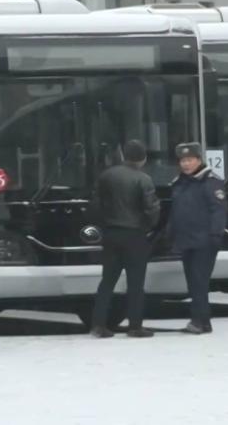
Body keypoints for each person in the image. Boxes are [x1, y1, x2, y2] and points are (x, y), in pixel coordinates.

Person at [89, 139, 161, 338]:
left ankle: (98, 324)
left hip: (111, 234)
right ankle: (135, 325)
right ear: (143, 159)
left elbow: (95, 205)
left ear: (123, 155)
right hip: (135, 235)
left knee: (107, 281)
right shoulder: (143, 179)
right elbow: (152, 208)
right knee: (135, 282)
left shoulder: (106, 176)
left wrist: (105, 224)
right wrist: (149, 226)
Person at [168, 142, 227, 335]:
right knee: (193, 282)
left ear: (199, 160)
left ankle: (198, 320)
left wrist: (215, 236)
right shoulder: (180, 183)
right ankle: (202, 321)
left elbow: (219, 211)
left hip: (204, 241)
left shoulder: (210, 182)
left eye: (189, 160)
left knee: (200, 281)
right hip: (186, 240)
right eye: (183, 161)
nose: (185, 164)